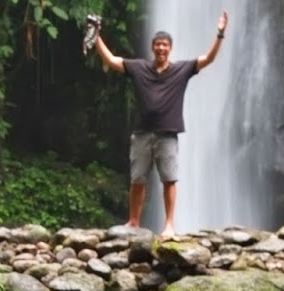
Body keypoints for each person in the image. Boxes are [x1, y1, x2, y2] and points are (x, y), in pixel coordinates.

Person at [91, 12, 228, 239]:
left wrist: (220, 33)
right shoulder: (139, 68)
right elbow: (111, 60)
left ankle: (169, 225)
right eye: (157, 45)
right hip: (142, 133)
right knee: (137, 180)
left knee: (169, 180)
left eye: (165, 45)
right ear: (152, 48)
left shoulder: (181, 70)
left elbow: (208, 59)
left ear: (170, 48)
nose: (161, 48)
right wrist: (95, 35)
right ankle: (133, 222)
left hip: (167, 134)